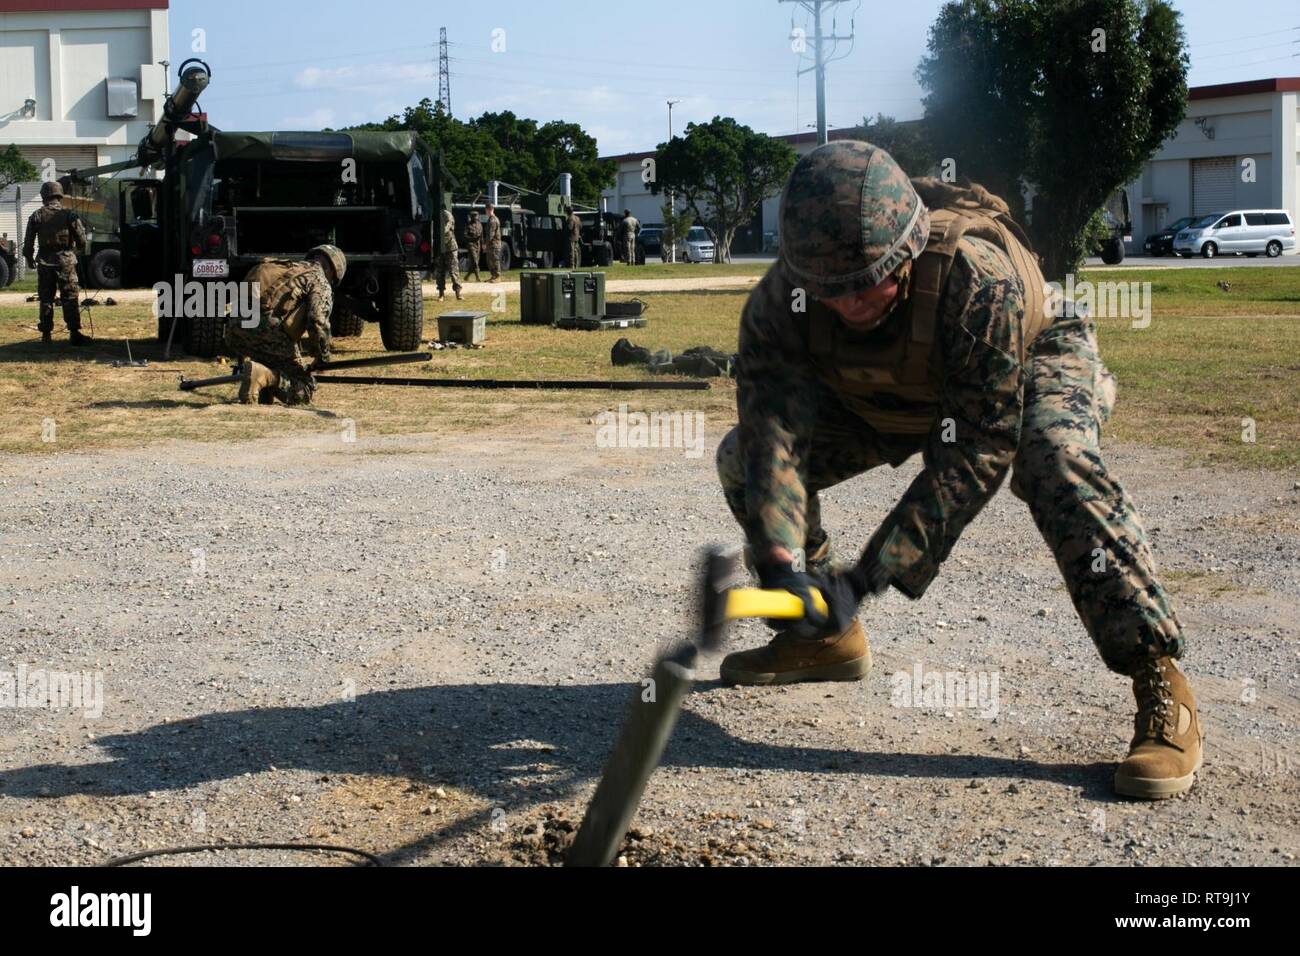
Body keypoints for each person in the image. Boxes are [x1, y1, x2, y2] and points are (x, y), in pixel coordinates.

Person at [716, 140, 1201, 800]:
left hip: (1028, 359)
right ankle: (821, 639)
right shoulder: (783, 302)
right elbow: (773, 440)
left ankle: (1159, 679)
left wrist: (866, 577)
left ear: (909, 247)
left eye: (868, 280)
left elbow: (976, 449)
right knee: (740, 459)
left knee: (1053, 460)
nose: (850, 303)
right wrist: (779, 565)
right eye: (830, 290)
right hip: (896, 386)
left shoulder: (978, 279)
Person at [224, 244, 346, 406]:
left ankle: (262, 384)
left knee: (272, 358)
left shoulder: (283, 268)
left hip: (234, 332)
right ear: (332, 272)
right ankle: (264, 376)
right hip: (268, 334)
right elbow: (317, 320)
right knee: (304, 389)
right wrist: (322, 357)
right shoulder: (319, 280)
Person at [23, 181, 90, 346]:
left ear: (44, 196)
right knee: (70, 297)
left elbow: (28, 242)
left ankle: (46, 334)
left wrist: (30, 259)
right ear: (60, 195)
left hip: (45, 263)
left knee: (46, 298)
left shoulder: (36, 215)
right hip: (66, 261)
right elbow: (81, 239)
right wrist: (77, 251)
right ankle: (74, 333)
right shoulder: (69, 215)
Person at [435, 210, 463, 301]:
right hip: (440, 247)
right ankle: (441, 294)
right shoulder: (434, 214)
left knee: (453, 271)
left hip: (450, 247)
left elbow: (447, 226)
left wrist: (439, 231)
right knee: (440, 272)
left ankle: (458, 293)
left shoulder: (446, 214)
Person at [484, 203, 503, 281]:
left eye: (486, 210)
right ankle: (493, 276)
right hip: (491, 244)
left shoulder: (493, 220)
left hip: (494, 244)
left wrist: (486, 244)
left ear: (489, 210)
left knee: (495, 260)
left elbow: (491, 234)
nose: (486, 212)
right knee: (489, 260)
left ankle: (497, 276)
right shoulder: (490, 219)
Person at [464, 209, 483, 282]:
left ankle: (467, 276)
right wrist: (472, 238)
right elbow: (465, 235)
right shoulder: (468, 225)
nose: (475, 217)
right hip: (471, 244)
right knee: (475, 261)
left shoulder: (479, 224)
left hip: (478, 244)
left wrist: (483, 243)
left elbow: (482, 235)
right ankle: (478, 277)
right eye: (473, 216)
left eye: (476, 216)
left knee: (476, 262)